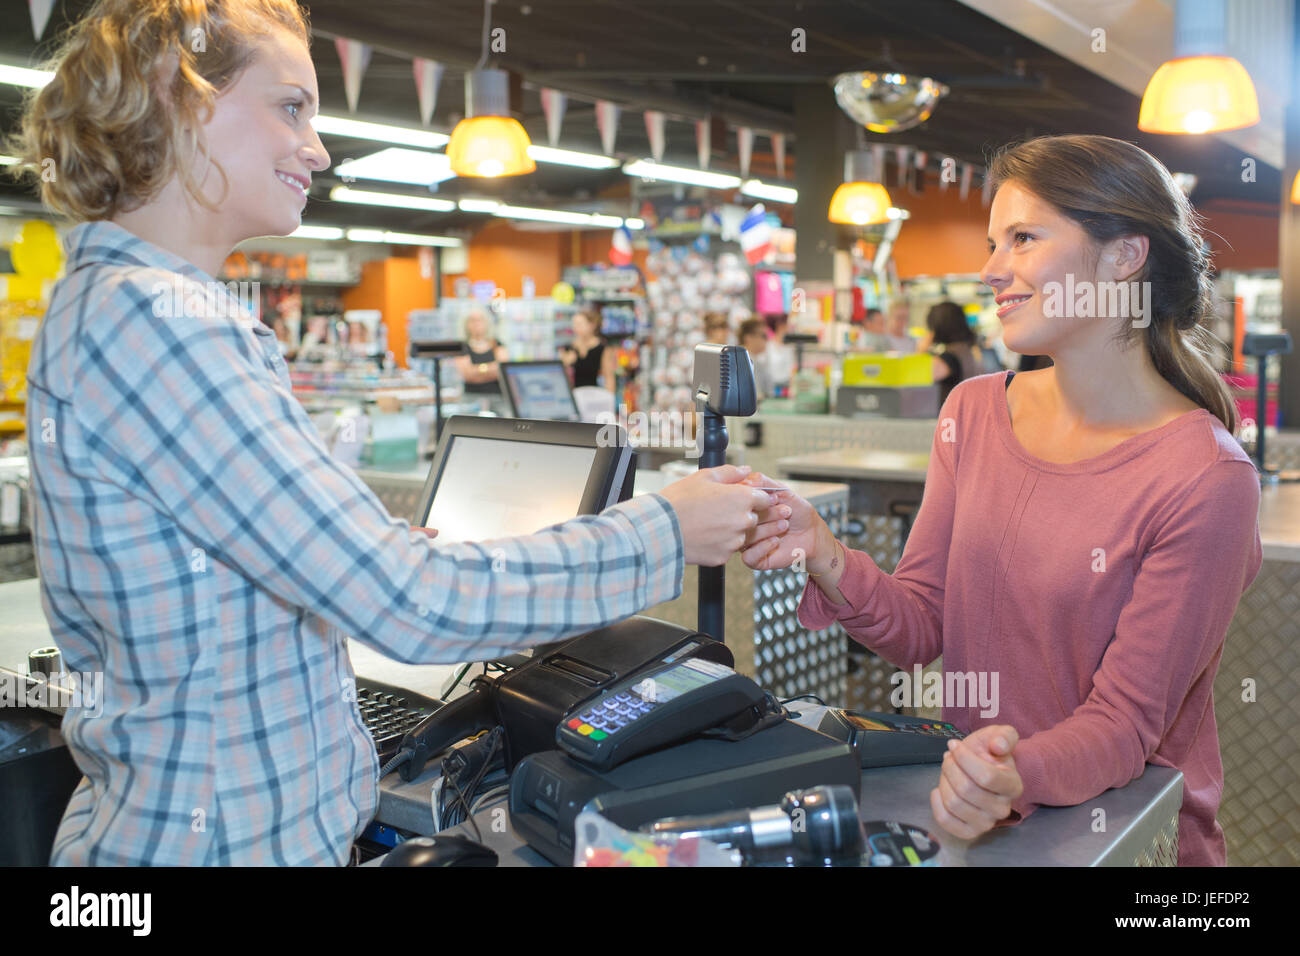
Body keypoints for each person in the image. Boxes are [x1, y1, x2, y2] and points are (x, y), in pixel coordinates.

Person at [9, 0, 784, 866]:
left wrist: (353, 554)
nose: (319, 147)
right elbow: (414, 605)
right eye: (290, 106)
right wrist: (667, 529)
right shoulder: (162, 328)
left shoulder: (121, 307)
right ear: (177, 93)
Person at [740, 134, 1261, 867]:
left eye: (1022, 238)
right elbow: (922, 622)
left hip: (1125, 838)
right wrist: (823, 551)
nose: (990, 270)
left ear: (1123, 257)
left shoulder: (1206, 476)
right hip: (983, 822)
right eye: (994, 241)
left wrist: (1013, 772)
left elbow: (1124, 724)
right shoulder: (975, 411)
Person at [925, 301, 987, 405]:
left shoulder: (949, 358)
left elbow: (918, 378)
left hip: (953, 416)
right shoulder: (968, 349)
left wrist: (922, 350)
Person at [559, 308, 616, 391]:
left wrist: (610, 399)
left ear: (592, 325)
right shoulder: (569, 348)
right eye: (574, 324)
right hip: (574, 395)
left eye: (579, 324)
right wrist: (565, 363)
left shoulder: (603, 349)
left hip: (594, 395)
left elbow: (609, 377)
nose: (575, 327)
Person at [454, 308, 508, 396]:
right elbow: (468, 375)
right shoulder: (462, 347)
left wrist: (477, 370)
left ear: (487, 323)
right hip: (471, 396)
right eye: (472, 321)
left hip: (497, 396)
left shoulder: (496, 344)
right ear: (466, 324)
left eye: (480, 320)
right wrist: (490, 368)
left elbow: (502, 369)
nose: (476, 324)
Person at [737, 317, 771, 399]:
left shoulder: (754, 361)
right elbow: (757, 397)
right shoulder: (739, 362)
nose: (766, 340)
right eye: (763, 336)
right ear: (748, 338)